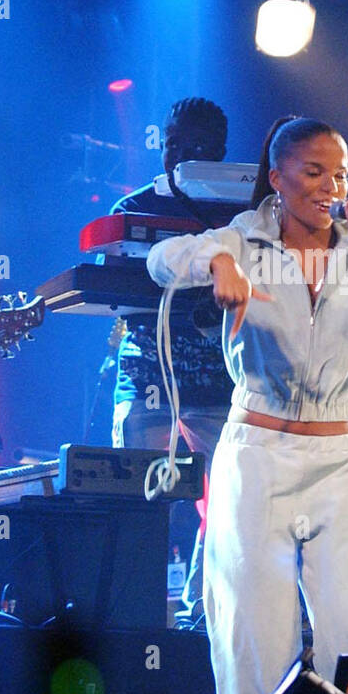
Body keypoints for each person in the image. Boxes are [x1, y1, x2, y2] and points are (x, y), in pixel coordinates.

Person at [147, 116, 348, 694]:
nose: (329, 186)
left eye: (340, 174)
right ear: (278, 178)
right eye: (314, 171)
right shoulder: (244, 239)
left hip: (335, 459)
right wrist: (217, 262)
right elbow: (162, 260)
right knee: (253, 632)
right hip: (259, 452)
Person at [110, 98, 243, 624]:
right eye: (171, 143)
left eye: (195, 146)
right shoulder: (135, 207)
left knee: (229, 503)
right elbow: (116, 285)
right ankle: (134, 619)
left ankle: (201, 616)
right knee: (142, 496)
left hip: (219, 383)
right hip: (149, 374)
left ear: (220, 151)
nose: (179, 154)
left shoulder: (242, 213)